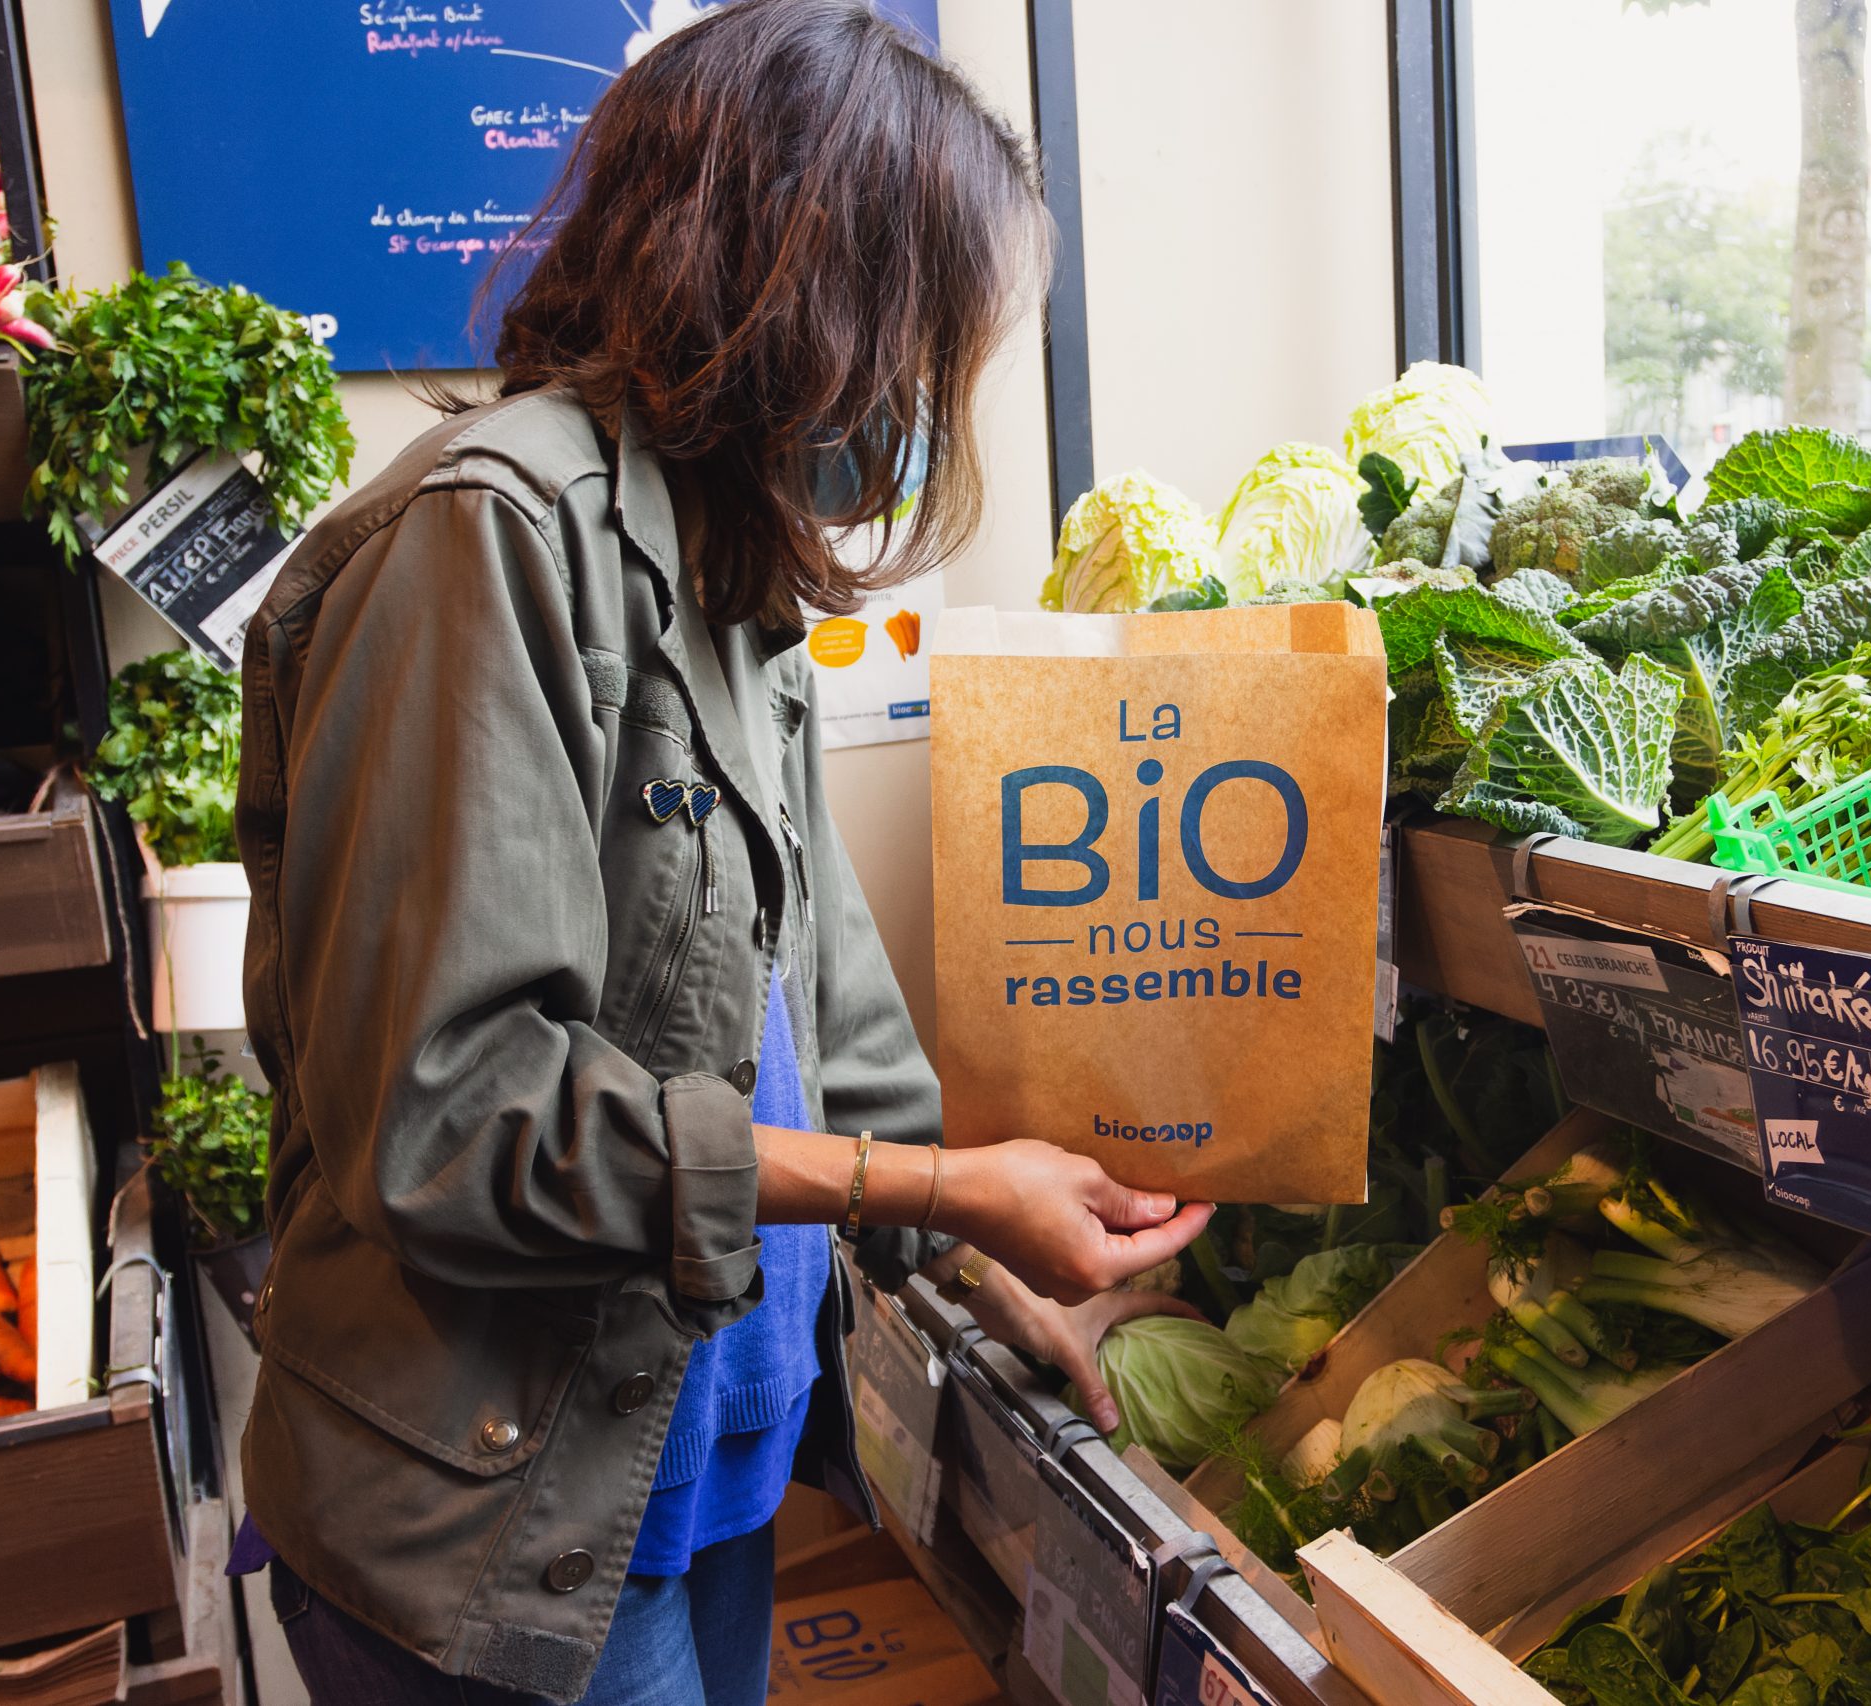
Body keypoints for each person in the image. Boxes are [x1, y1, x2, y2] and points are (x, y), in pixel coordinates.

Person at [229, 5, 1211, 1701]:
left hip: (690, 1464)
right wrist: (937, 1186)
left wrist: (972, 1245)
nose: (923, 407)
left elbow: (821, 1010)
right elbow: (459, 1115)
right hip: (493, 1512)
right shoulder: (489, 544)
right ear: (800, 299)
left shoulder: (733, 578)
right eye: (921, 344)